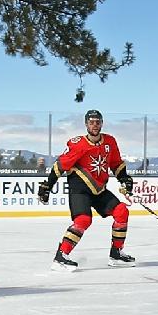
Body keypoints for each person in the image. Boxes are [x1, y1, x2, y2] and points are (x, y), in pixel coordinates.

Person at [38, 109, 135, 267]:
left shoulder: (110, 142)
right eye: (91, 122)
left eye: (98, 122)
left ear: (102, 123)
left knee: (121, 211)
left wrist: (125, 179)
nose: (95, 125)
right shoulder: (78, 144)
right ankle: (61, 255)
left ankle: (116, 254)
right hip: (80, 188)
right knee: (83, 220)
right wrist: (48, 185)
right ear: (86, 124)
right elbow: (60, 165)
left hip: (98, 189)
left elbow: (116, 164)